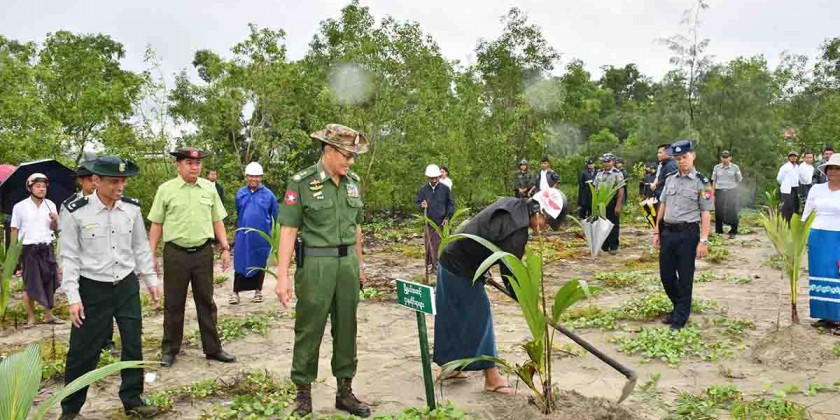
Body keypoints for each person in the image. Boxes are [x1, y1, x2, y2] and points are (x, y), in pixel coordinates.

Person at [274, 124, 371, 417]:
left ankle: (345, 392)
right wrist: (282, 276)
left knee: (347, 328)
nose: (351, 162)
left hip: (347, 266)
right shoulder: (302, 182)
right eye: (346, 155)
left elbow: (356, 227)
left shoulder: (353, 182)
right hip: (316, 265)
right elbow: (288, 230)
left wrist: (360, 265)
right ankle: (303, 394)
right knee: (309, 328)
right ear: (328, 150)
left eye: (353, 156)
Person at [434, 188, 566, 396]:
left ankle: (451, 367)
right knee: (481, 318)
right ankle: (492, 379)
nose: (545, 227)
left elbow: (487, 233)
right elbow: (511, 274)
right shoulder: (517, 231)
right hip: (461, 268)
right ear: (539, 211)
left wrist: (484, 266)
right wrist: (530, 303)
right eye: (547, 222)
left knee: (453, 315)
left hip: (450, 259)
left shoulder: (514, 205)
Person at [58, 156, 160, 419]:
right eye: (114, 181)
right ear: (96, 180)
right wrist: (73, 297)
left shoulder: (131, 209)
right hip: (92, 288)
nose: (120, 186)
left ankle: (133, 399)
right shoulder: (75, 211)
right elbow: (68, 256)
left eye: (123, 180)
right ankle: (70, 409)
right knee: (83, 351)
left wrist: (151, 280)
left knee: (132, 344)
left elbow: (140, 247)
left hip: (126, 285)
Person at [148, 147, 235, 368]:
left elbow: (217, 220)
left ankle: (213, 349)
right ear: (178, 165)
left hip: (203, 253)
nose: (194, 167)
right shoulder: (166, 190)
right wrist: (152, 254)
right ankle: (170, 350)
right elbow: (157, 223)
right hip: (175, 253)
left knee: (206, 301)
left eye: (197, 163)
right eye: (189, 163)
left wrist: (225, 247)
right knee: (174, 303)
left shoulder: (209, 188)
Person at [653, 140, 712, 330]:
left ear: (693, 156)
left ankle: (680, 318)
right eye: (678, 158)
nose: (681, 161)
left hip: (688, 235)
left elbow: (706, 213)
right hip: (668, 232)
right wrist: (657, 231)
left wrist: (703, 241)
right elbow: (663, 205)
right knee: (666, 276)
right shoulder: (670, 179)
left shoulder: (702, 182)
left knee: (685, 278)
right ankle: (679, 306)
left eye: (684, 157)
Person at [10, 173, 62, 326]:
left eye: (44, 186)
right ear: (30, 188)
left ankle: (48, 315)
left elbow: (54, 228)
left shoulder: (50, 205)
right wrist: (14, 252)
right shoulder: (20, 207)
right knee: (29, 284)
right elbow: (14, 229)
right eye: (38, 186)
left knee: (50, 282)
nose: (42, 189)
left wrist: (55, 220)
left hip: (46, 247)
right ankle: (31, 318)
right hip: (28, 249)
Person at [802, 153, 840, 334]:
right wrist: (802, 234)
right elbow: (807, 213)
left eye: (837, 169)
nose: (833, 172)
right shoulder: (816, 189)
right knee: (819, 274)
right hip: (817, 237)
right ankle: (825, 315)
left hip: (837, 238)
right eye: (830, 168)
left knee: (836, 274)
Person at [231, 162, 278, 305]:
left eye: (257, 176)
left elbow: (276, 215)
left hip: (261, 236)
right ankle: (235, 293)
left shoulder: (268, 195)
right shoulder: (241, 193)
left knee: (259, 262)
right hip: (243, 236)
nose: (254, 179)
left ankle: (258, 291)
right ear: (246, 177)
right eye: (251, 176)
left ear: (261, 177)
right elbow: (239, 211)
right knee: (241, 262)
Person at [416, 164, 455, 270]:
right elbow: (418, 203)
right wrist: (421, 206)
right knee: (429, 244)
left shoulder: (445, 189)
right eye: (431, 178)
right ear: (427, 177)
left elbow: (451, 204)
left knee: (440, 244)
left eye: (436, 178)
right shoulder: (423, 190)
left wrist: (447, 218)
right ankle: (431, 264)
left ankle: (439, 265)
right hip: (429, 222)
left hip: (442, 222)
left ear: (439, 176)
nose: (434, 180)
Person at [593, 154, 625, 255]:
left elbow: (621, 189)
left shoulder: (617, 173)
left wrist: (618, 205)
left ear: (613, 162)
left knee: (613, 224)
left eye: (608, 161)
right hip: (601, 203)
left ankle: (613, 246)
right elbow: (595, 189)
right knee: (602, 224)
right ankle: (604, 246)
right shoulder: (599, 173)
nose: (606, 163)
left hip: (612, 202)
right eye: (604, 162)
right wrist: (595, 205)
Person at [711, 150, 743, 238]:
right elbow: (714, 180)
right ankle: (718, 231)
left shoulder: (735, 167)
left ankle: (733, 231)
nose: (725, 159)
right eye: (723, 157)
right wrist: (712, 193)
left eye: (726, 157)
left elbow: (739, 180)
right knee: (718, 211)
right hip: (719, 191)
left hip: (731, 191)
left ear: (730, 158)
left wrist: (736, 191)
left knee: (732, 211)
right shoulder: (716, 167)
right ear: (721, 158)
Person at [651, 143, 679, 212]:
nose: (658, 155)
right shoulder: (664, 165)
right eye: (658, 153)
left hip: (667, 202)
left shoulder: (671, 166)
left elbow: (673, 187)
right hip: (662, 198)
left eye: (660, 153)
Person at [776, 151, 800, 222]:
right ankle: (785, 223)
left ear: (797, 158)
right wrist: (785, 184)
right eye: (791, 156)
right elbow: (779, 178)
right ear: (789, 158)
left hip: (795, 188)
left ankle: (792, 223)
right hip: (787, 190)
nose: (793, 158)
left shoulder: (797, 167)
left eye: (795, 156)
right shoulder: (785, 167)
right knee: (787, 207)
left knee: (794, 207)